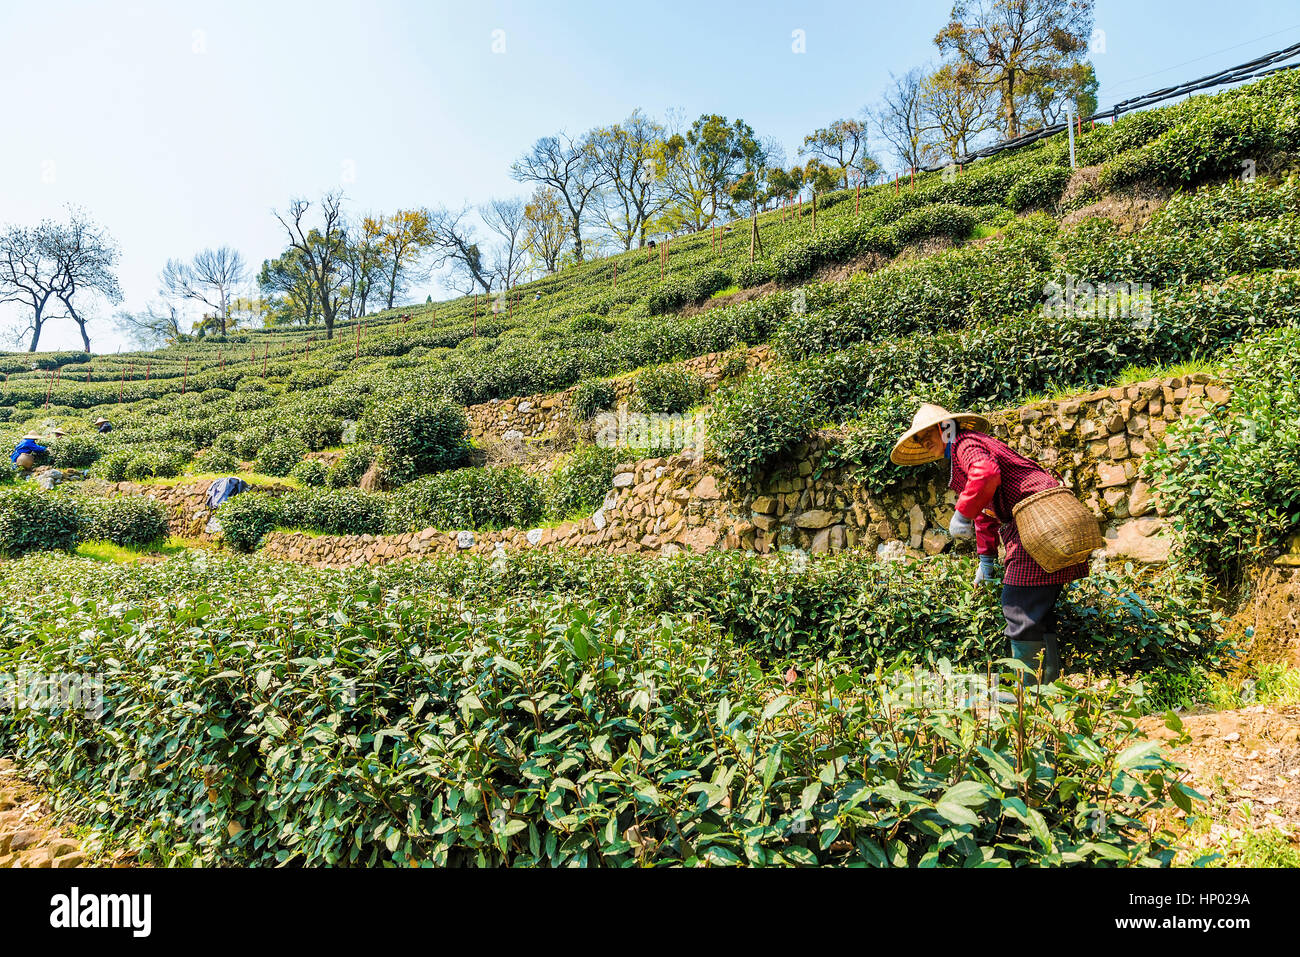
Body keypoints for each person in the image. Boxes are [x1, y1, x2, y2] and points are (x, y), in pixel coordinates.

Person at [891, 403, 1089, 684]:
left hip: (1039, 520)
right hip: (1044, 521)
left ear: (944, 428)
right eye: (920, 441)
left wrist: (962, 511)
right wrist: (986, 561)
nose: (925, 443)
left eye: (928, 435)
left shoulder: (965, 443)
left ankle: (1028, 691)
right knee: (1036, 610)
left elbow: (986, 474)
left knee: (1018, 605)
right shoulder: (964, 453)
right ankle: (1047, 687)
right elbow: (986, 512)